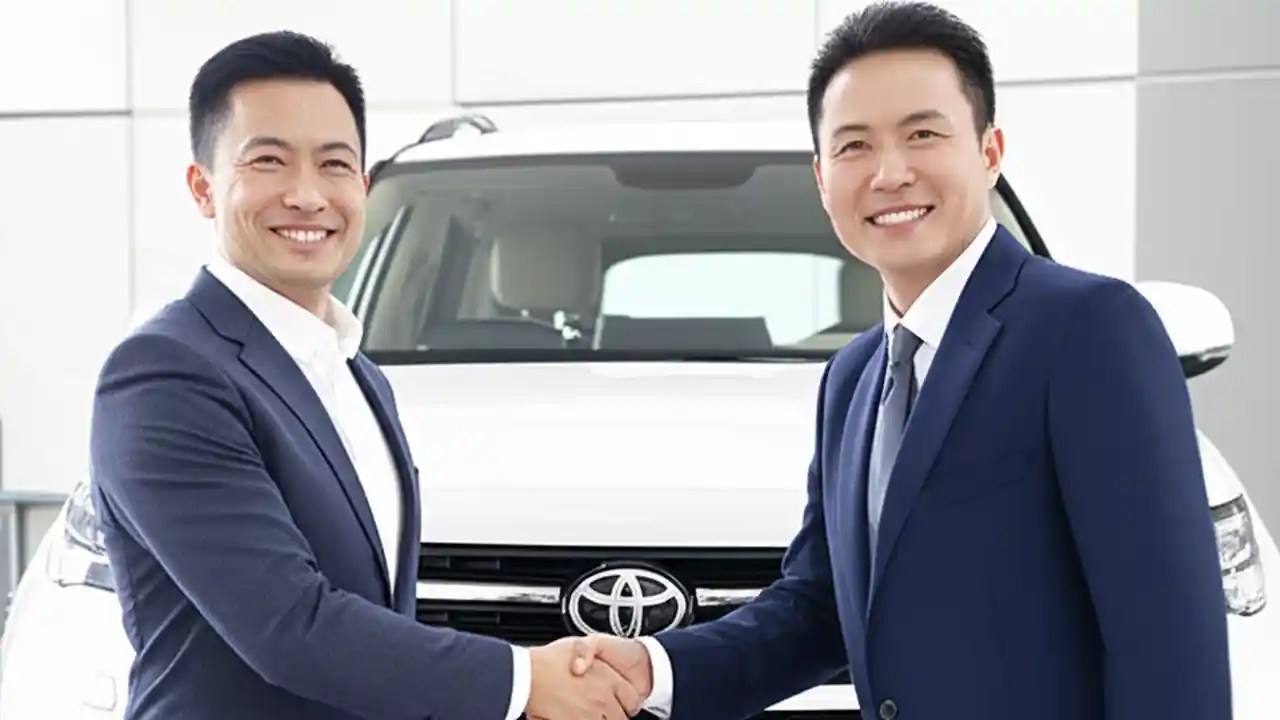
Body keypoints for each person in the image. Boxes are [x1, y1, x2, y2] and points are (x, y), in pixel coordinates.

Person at [569, 2, 1233, 718]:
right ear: (823, 179)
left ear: (990, 151)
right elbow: (821, 609)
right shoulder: (852, 381)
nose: (890, 173)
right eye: (854, 147)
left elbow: (1168, 644)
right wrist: (653, 668)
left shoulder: (1088, 330)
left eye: (923, 134)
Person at [88, 31, 641, 720]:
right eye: (268, 161)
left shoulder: (357, 374)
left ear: (364, 187)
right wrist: (525, 680)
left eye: (334, 164)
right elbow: (288, 624)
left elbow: (382, 619)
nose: (307, 195)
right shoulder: (166, 374)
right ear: (203, 187)